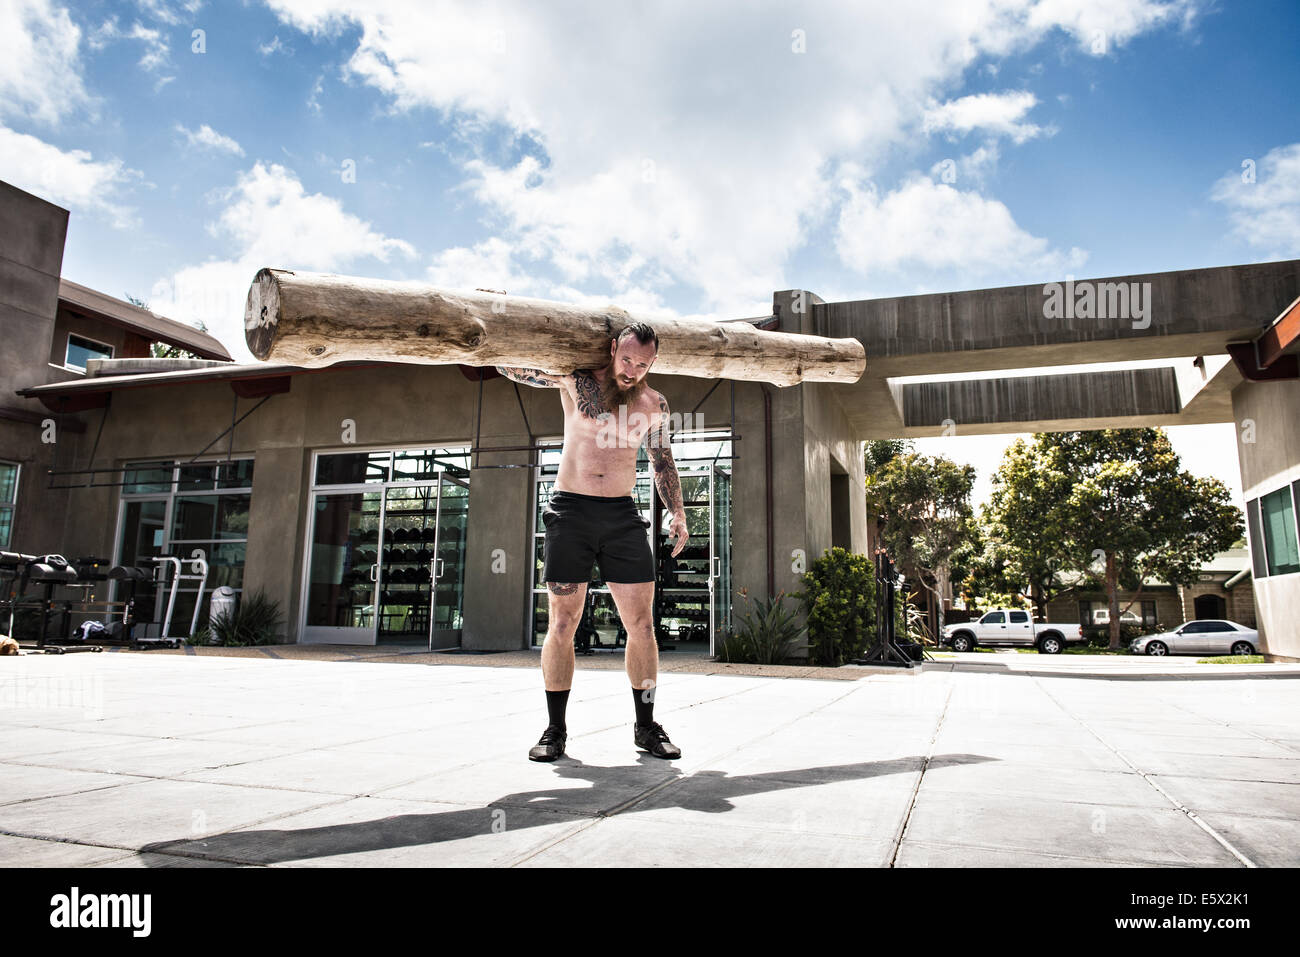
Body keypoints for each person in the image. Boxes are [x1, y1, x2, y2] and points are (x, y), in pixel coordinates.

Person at [497, 322, 688, 761]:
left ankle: (645, 727)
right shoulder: (576, 379)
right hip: (571, 511)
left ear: (652, 362)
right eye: (626, 360)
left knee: (641, 626)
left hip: (622, 515)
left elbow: (661, 462)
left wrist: (677, 511)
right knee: (562, 624)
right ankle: (555, 730)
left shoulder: (654, 404)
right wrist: (486, 329)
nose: (632, 370)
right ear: (612, 348)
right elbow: (514, 367)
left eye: (642, 364)